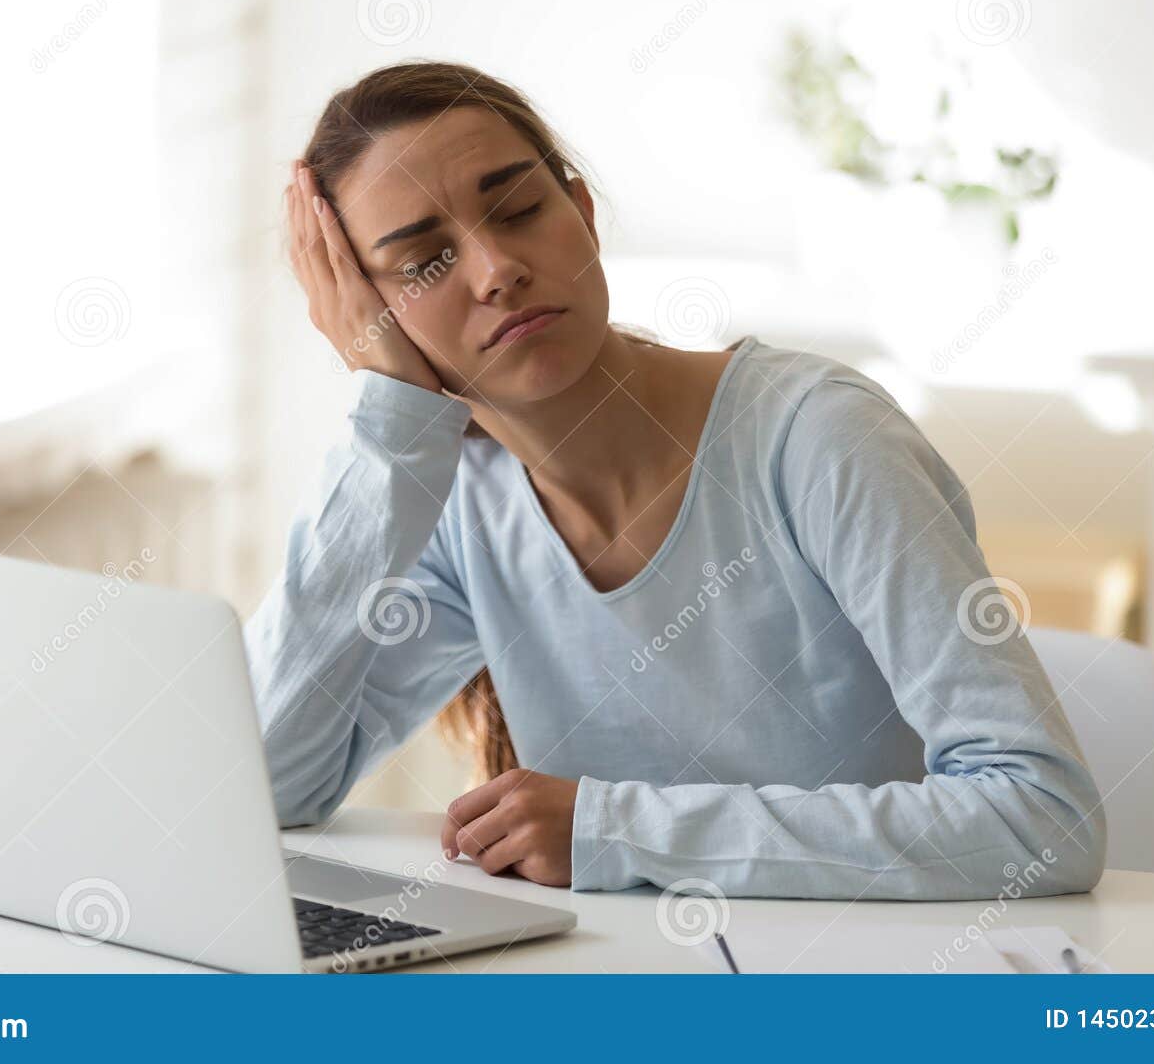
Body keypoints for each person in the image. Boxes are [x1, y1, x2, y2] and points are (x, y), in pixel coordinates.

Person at [242, 60, 1106, 899]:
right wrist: (391, 422)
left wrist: (617, 829)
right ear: (365, 313)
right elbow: (261, 785)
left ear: (579, 209)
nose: (494, 269)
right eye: (423, 262)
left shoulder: (819, 439)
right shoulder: (458, 499)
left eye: (518, 208)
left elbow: (1042, 818)